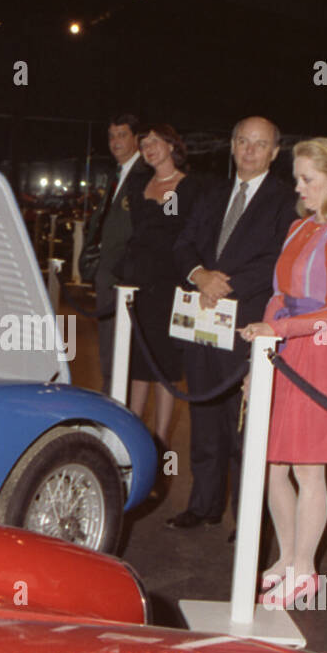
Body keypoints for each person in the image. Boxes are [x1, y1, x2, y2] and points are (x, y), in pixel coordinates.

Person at [239, 137, 327, 606]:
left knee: (308, 468)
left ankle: (305, 568)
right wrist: (265, 344)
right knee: (273, 464)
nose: (300, 187)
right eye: (297, 178)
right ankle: (286, 558)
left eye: (308, 179)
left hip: (323, 350)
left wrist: (277, 328)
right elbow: (278, 293)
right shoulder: (298, 228)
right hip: (287, 348)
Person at [167, 116, 296, 529]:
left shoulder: (285, 200)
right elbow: (183, 242)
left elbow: (279, 259)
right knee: (203, 418)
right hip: (202, 322)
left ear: (275, 152)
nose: (250, 150)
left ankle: (246, 520)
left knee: (243, 424)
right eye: (243, 140)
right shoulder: (212, 192)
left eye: (260, 144)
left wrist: (224, 284)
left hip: (248, 324)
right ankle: (203, 505)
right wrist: (199, 275)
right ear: (232, 144)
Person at [115, 124, 202, 447]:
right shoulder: (138, 184)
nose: (149, 147)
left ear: (171, 145)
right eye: (144, 143)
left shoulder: (188, 187)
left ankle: (161, 439)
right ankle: (132, 433)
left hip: (169, 284)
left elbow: (180, 233)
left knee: (164, 363)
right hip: (138, 283)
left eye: (155, 141)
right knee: (138, 359)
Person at [86, 114, 153, 393]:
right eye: (112, 136)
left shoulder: (143, 174)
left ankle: (115, 408)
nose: (115, 142)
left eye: (122, 135)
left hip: (123, 278)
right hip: (108, 275)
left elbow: (145, 231)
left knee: (118, 352)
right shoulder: (119, 173)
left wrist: (124, 271)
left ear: (136, 139)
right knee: (108, 348)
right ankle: (110, 399)